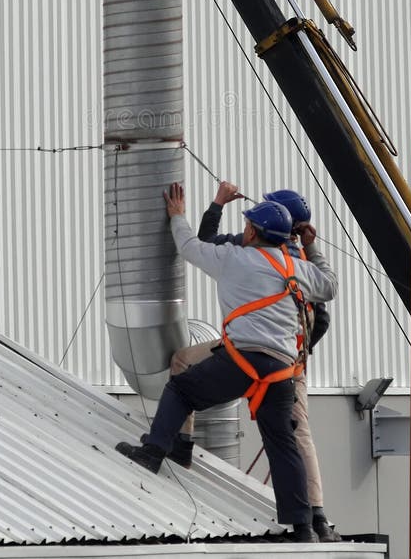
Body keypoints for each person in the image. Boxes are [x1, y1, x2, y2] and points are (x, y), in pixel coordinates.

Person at [116, 183, 338, 544]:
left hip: (241, 359)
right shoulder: (298, 267)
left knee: (182, 389)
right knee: (284, 441)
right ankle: (304, 528)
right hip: (284, 370)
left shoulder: (234, 256)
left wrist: (177, 216)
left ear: (253, 231)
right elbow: (329, 287)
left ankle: (154, 452)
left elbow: (190, 246)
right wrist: (313, 246)